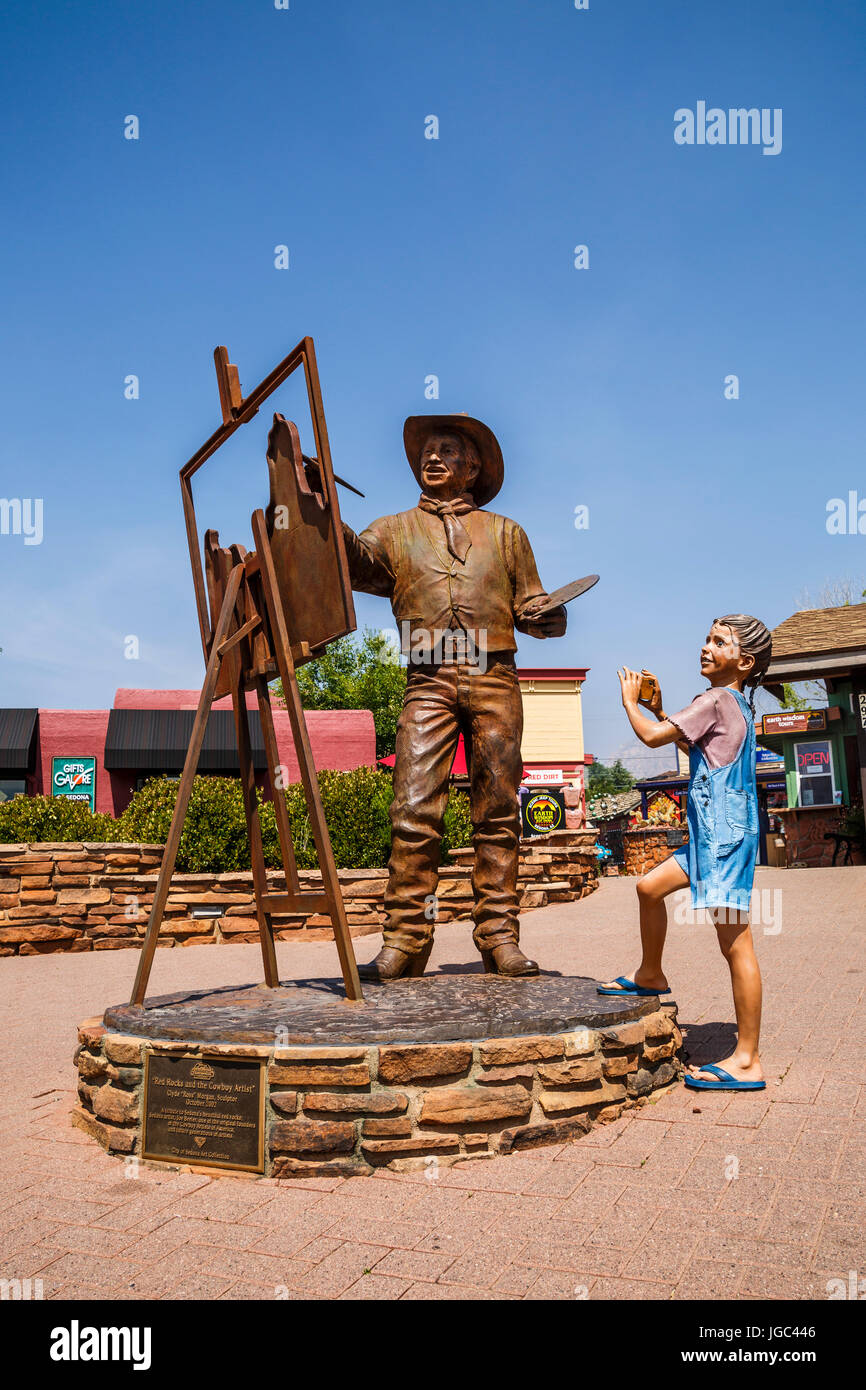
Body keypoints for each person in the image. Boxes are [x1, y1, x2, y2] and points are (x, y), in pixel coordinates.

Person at [340, 414, 566, 981]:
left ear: (473, 467)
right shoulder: (392, 530)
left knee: (497, 809)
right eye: (426, 451)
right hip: (428, 677)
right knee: (413, 808)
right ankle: (405, 939)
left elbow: (534, 607)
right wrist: (318, 510)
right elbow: (351, 564)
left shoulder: (508, 533)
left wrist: (548, 619)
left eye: (447, 451)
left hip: (495, 675)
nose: (432, 458)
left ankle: (499, 937)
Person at [597, 615, 773, 1092]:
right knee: (648, 887)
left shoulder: (715, 699)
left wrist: (631, 703)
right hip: (713, 835)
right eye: (708, 638)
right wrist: (659, 710)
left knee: (735, 943)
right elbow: (679, 734)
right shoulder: (728, 702)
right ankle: (651, 973)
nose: (706, 647)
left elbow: (656, 740)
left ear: (745, 660)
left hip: (722, 838)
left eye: (720, 642)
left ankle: (747, 1060)